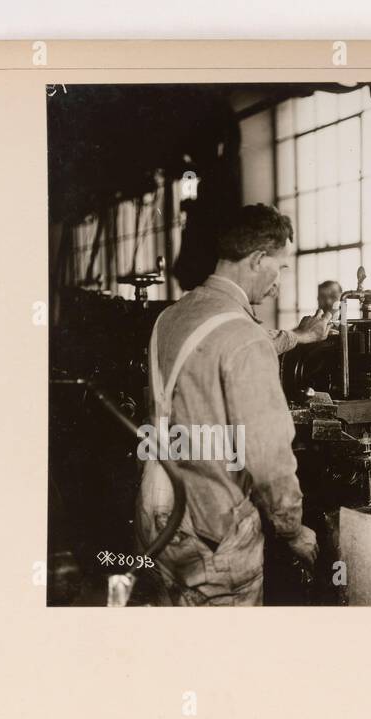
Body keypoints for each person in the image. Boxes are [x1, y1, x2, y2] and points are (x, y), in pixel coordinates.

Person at [136, 204, 319, 605]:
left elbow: (218, 348)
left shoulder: (171, 318)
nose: (278, 282)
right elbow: (269, 458)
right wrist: (293, 530)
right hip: (215, 535)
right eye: (279, 268)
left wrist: (298, 337)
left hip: (159, 517)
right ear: (257, 259)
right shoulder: (244, 338)